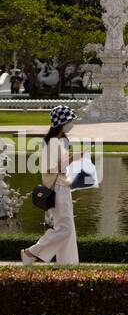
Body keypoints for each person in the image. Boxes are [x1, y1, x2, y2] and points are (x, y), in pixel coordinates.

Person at [20, 105, 80, 265]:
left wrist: (74, 156)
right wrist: (75, 158)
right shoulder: (53, 143)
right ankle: (31, 252)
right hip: (58, 188)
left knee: (66, 226)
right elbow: (52, 167)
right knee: (65, 228)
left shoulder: (59, 141)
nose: (72, 123)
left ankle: (67, 263)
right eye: (70, 120)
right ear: (62, 122)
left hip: (62, 186)